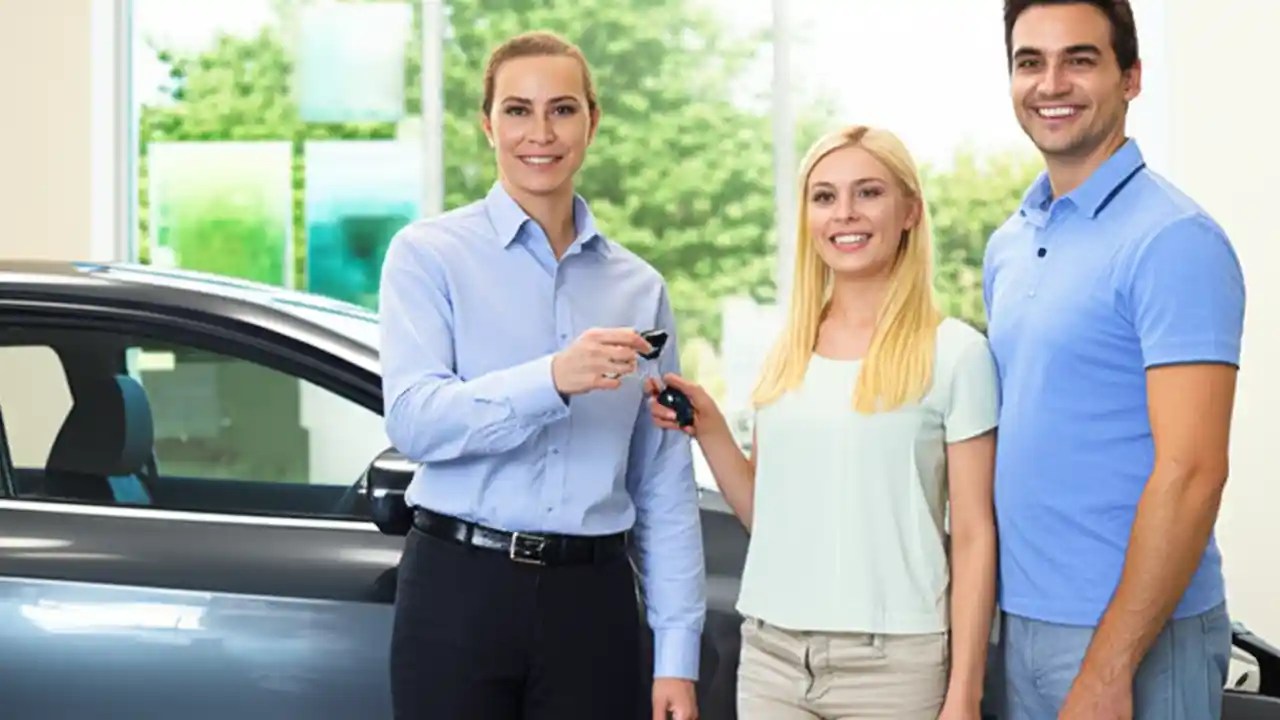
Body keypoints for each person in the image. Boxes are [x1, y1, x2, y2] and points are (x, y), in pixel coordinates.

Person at [377, 30, 705, 720]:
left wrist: (677, 655)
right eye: (518, 110)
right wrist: (553, 378)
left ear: (592, 121)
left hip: (594, 603)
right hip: (457, 590)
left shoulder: (638, 289)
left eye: (562, 109)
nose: (540, 133)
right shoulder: (427, 256)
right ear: (487, 123)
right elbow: (414, 420)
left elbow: (662, 481)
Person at [647, 124, 999, 719]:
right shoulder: (786, 352)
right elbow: (771, 516)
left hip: (894, 667)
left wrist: (965, 692)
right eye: (825, 197)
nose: (845, 214)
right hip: (773, 657)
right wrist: (709, 428)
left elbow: (972, 536)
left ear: (910, 210)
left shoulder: (957, 354)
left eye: (868, 193)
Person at [985, 1, 1247, 717]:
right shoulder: (1009, 242)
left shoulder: (1174, 240)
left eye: (1080, 59)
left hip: (1133, 637)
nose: (1051, 83)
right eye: (1029, 62)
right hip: (1026, 623)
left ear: (1130, 77)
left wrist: (1109, 667)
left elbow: (1193, 471)